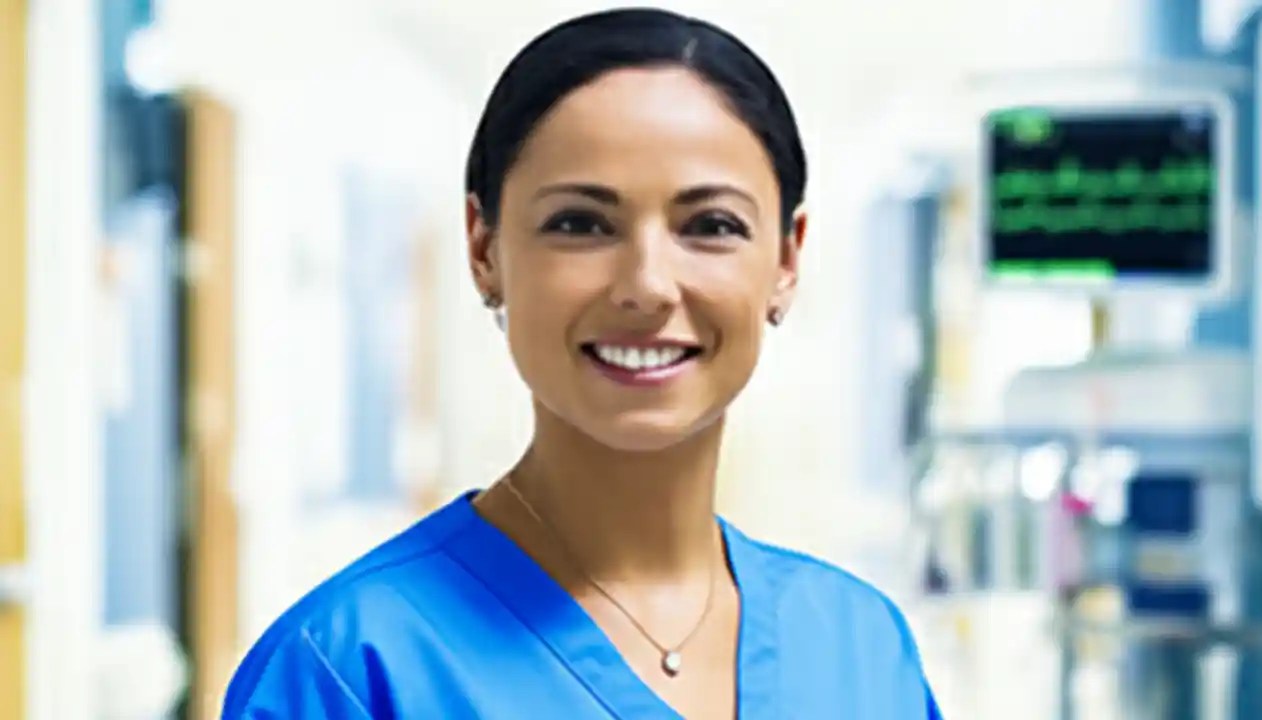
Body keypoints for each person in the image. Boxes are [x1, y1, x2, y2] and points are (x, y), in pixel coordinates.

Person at [222, 8, 941, 719]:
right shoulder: (351, 668)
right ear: (484, 250)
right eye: (580, 224)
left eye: (711, 226)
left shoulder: (860, 648)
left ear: (786, 260)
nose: (648, 286)